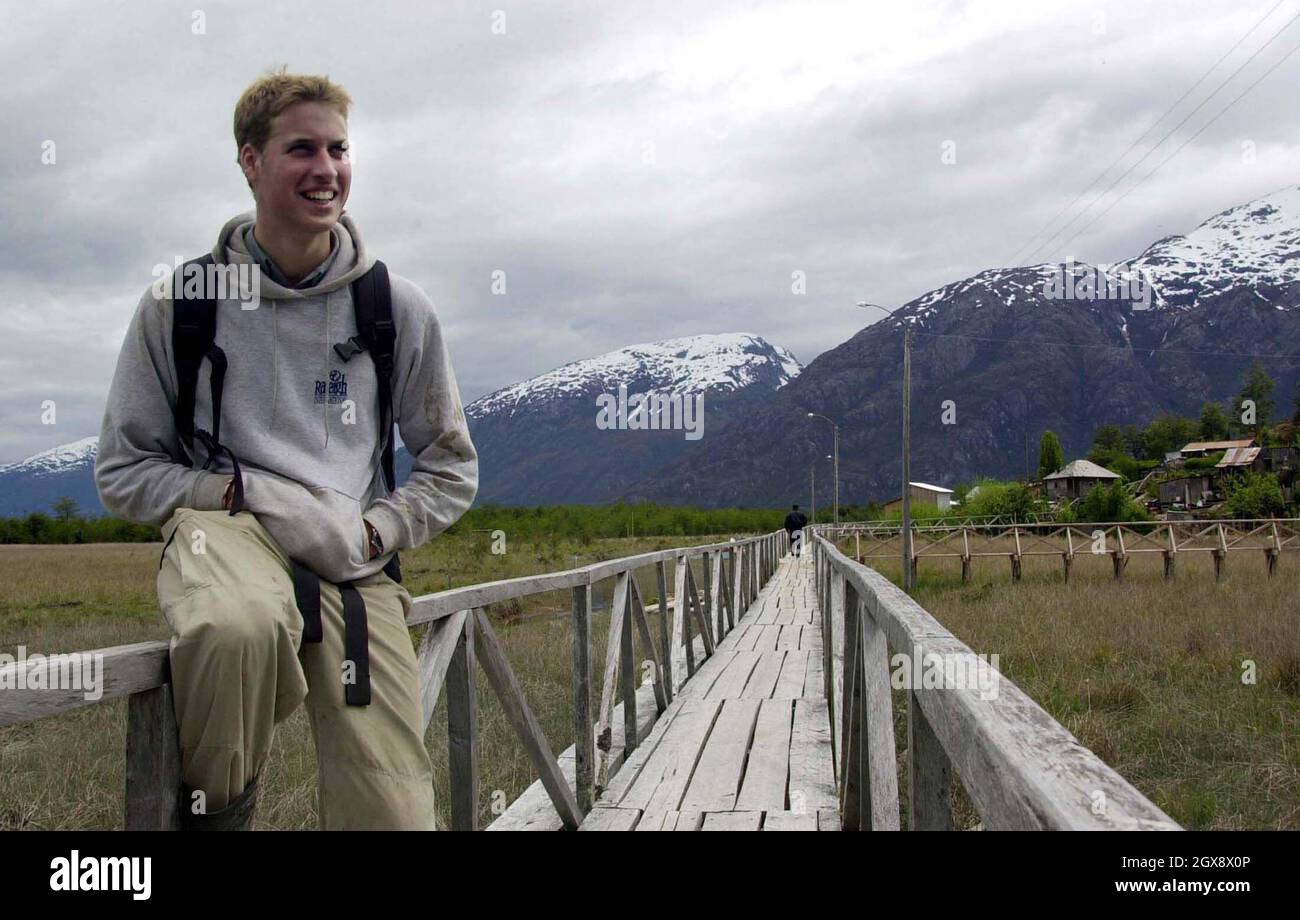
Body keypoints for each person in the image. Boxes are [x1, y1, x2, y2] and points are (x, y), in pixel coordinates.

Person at [94, 68, 478, 830]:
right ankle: (215, 817)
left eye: (339, 149)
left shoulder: (393, 308)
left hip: (351, 554)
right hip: (226, 530)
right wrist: (224, 494)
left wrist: (381, 530)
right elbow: (123, 470)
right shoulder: (180, 306)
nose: (326, 169)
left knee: (394, 813)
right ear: (251, 161)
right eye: (302, 149)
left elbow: (450, 465)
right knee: (233, 627)